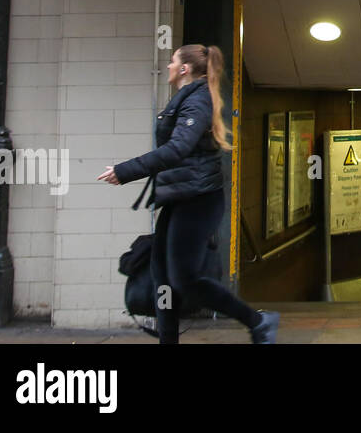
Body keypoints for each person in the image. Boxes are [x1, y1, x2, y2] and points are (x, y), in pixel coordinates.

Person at [99, 44, 279, 344]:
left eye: (172, 62)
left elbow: (178, 148)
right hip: (179, 198)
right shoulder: (187, 98)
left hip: (198, 200)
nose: (168, 66)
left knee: (184, 279)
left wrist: (127, 170)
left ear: (184, 69)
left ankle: (257, 321)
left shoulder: (197, 101)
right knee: (162, 277)